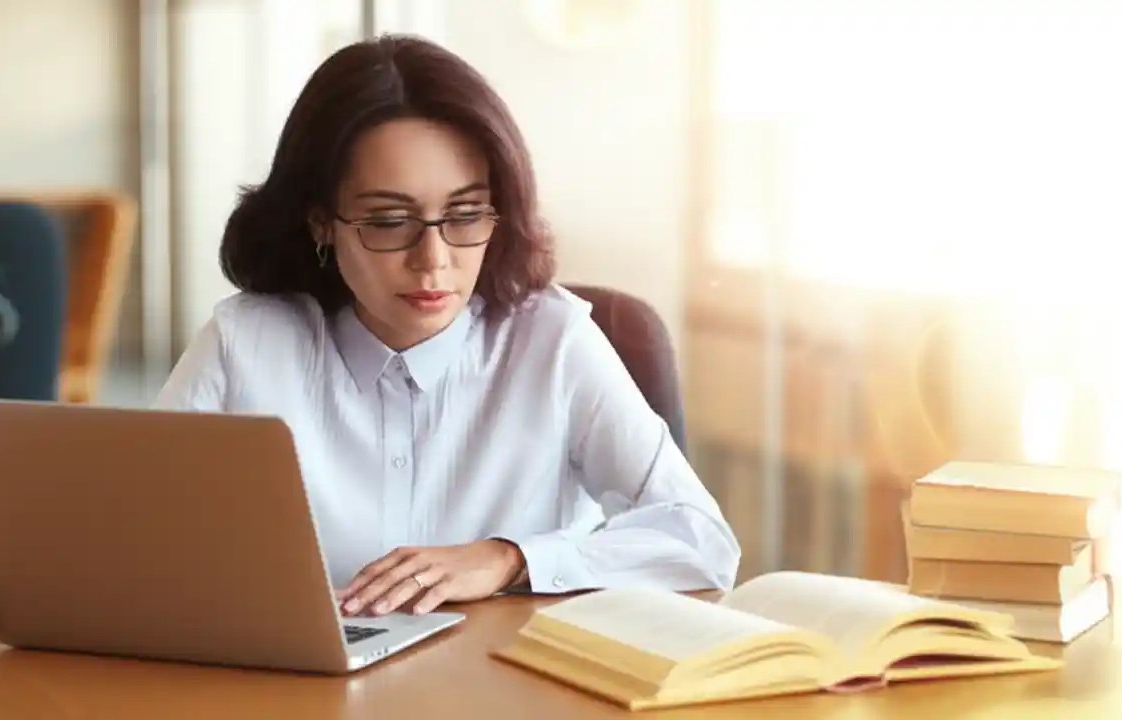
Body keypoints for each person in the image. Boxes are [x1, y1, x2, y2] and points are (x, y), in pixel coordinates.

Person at [155, 35, 740, 618]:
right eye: (389, 221)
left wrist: (510, 559)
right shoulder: (244, 345)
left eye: (464, 215)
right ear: (321, 224)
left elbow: (701, 540)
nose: (433, 259)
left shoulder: (553, 341)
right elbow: (135, 540)